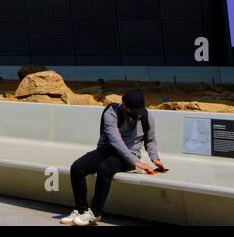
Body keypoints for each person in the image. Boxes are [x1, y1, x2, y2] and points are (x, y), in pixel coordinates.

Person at [61, 90, 165, 226]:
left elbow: (150, 139)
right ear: (124, 105)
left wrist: (154, 158)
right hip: (108, 150)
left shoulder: (146, 116)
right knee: (77, 168)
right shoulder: (111, 113)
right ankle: (81, 210)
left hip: (130, 155)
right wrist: (138, 163)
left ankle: (95, 213)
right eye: (133, 110)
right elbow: (115, 141)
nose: (137, 114)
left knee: (104, 168)